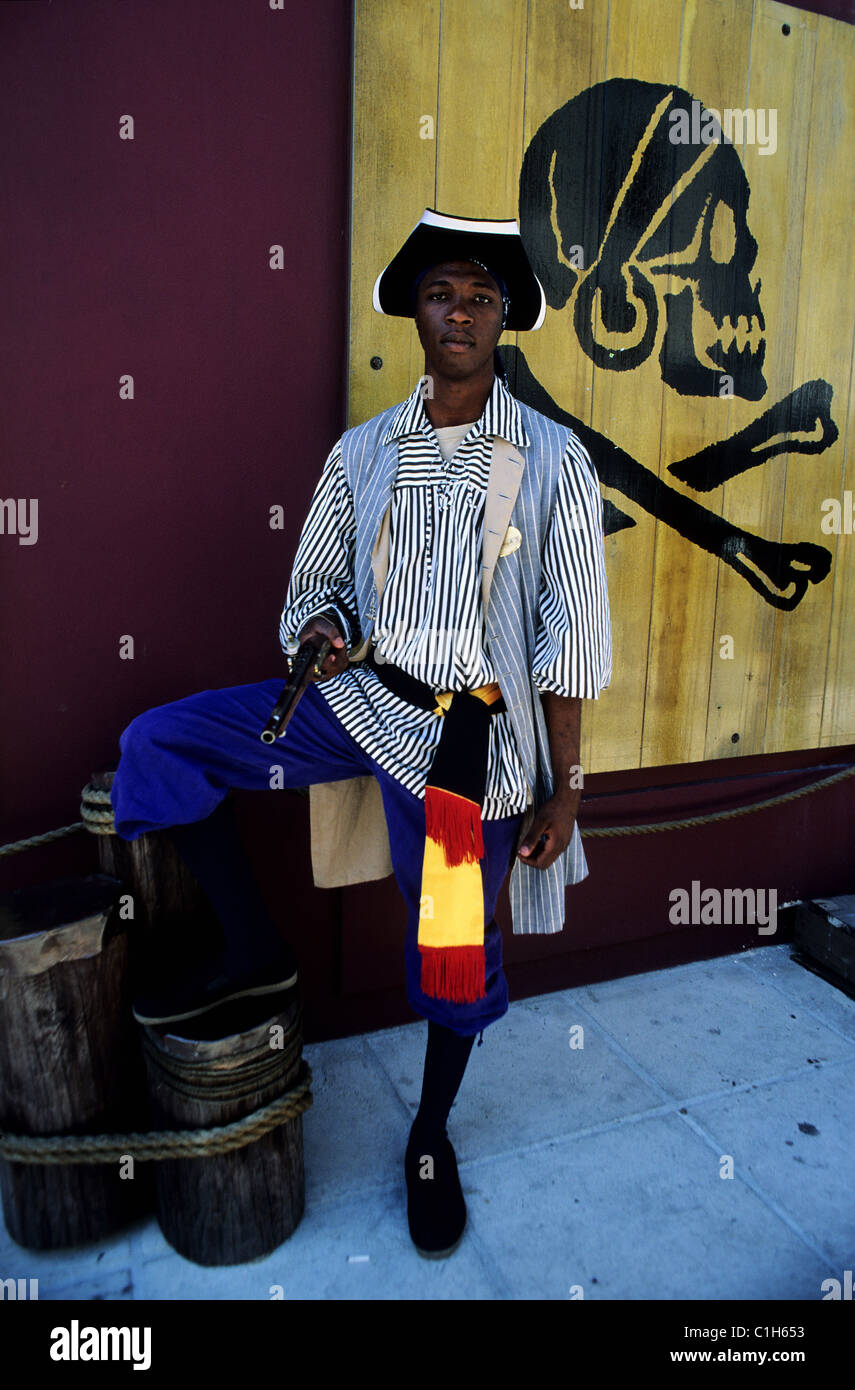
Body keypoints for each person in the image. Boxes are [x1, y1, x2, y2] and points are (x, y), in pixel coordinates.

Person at [110, 208, 612, 1259]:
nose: (461, 310)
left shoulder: (554, 460)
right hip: (352, 705)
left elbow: (569, 643)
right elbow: (314, 593)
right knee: (161, 744)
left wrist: (567, 785)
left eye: (480, 294)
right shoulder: (363, 453)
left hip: (464, 753)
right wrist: (327, 629)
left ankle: (429, 1136)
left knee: (453, 961)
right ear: (415, 313)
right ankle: (251, 947)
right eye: (442, 292)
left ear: (504, 314)